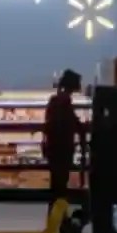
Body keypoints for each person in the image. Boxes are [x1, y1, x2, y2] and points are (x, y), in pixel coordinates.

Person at [43, 69, 85, 215]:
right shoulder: (64, 102)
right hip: (62, 149)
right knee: (60, 186)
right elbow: (71, 124)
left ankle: (55, 216)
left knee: (56, 185)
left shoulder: (55, 101)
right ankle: (59, 217)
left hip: (54, 149)